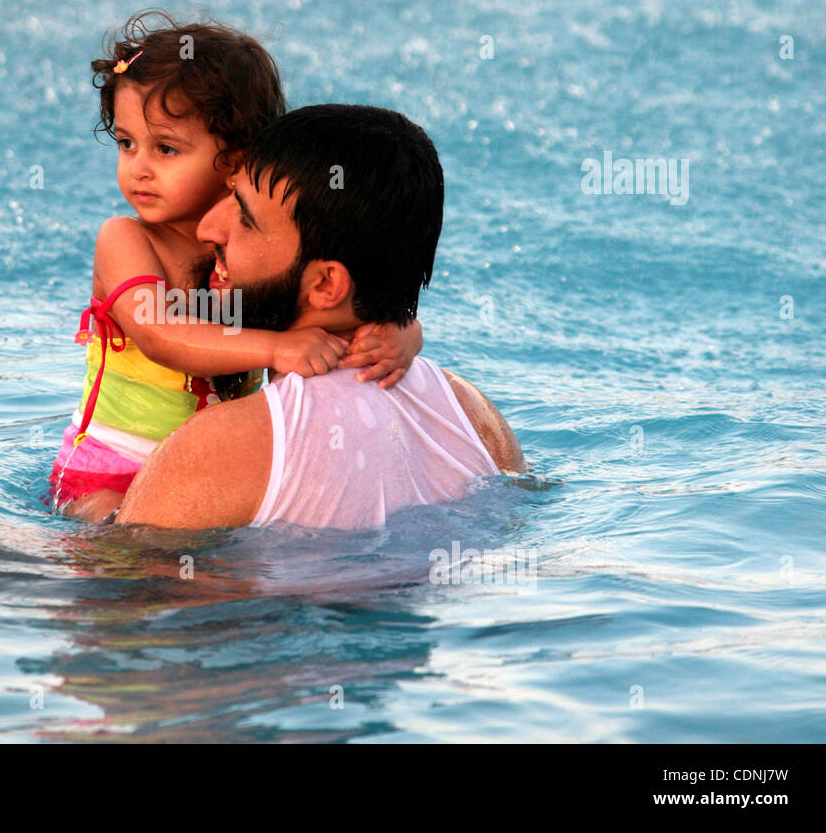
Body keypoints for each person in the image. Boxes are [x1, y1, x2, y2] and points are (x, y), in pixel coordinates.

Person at [51, 13, 424, 521]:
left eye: (165, 148)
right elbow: (162, 333)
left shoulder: (255, 257)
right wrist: (277, 346)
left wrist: (401, 334)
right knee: (121, 534)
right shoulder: (127, 239)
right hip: (104, 474)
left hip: (213, 475)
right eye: (125, 143)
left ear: (235, 160)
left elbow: (341, 299)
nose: (138, 167)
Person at [115, 104, 525, 530]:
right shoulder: (478, 422)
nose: (208, 229)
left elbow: (121, 589)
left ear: (327, 285)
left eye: (246, 219)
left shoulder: (216, 450)